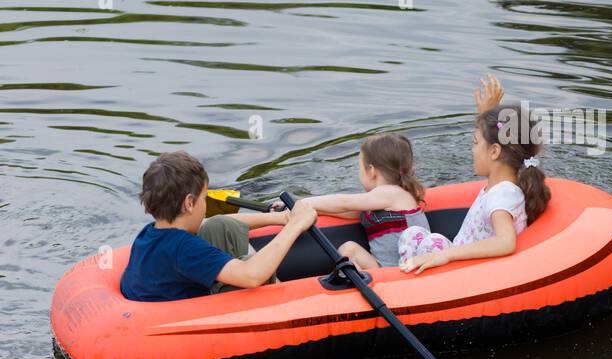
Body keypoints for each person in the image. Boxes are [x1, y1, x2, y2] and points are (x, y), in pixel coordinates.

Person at [398, 75, 551, 274]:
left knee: (431, 242)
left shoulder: (502, 194)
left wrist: (446, 254)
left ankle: (401, 280)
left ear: (495, 151)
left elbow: (506, 242)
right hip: (460, 260)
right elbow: (495, 139)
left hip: (462, 272)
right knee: (413, 234)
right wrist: (487, 114)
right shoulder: (504, 183)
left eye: (475, 143)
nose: (472, 149)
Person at [120, 151, 316, 301]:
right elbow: (252, 275)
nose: (205, 205)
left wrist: (281, 218)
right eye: (204, 198)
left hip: (166, 301)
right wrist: (296, 225)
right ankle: (289, 303)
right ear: (189, 203)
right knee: (250, 262)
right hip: (188, 321)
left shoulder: (149, 233)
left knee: (219, 224)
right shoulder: (185, 248)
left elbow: (213, 222)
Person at [273, 131, 428, 272]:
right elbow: (350, 212)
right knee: (349, 249)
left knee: (348, 250)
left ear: (372, 171)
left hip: (400, 271)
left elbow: (343, 202)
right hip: (388, 268)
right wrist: (301, 210)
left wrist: (300, 202)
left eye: (359, 167)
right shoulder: (390, 197)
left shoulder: (390, 193)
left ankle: (354, 288)